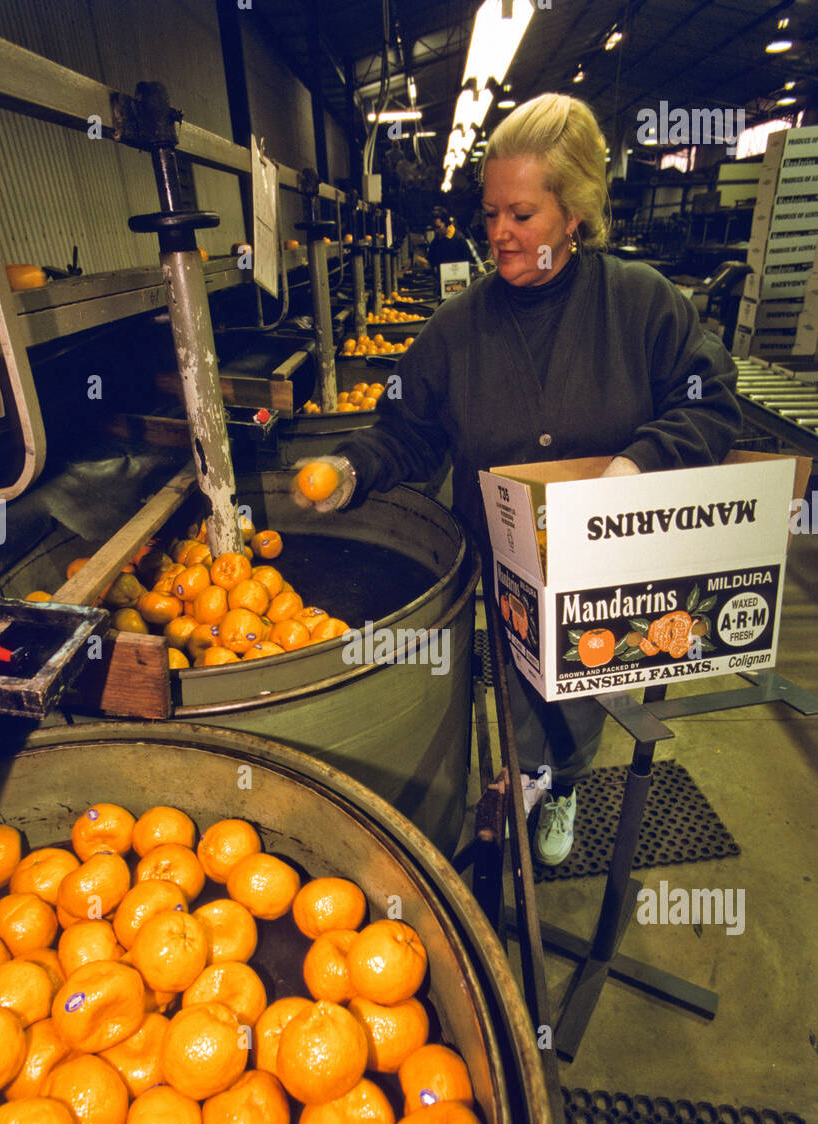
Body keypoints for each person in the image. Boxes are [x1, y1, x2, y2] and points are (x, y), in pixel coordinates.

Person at [292, 94, 742, 865]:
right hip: (498, 565)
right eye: (489, 213)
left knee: (580, 685)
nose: (498, 233)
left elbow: (709, 401)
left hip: (602, 565)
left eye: (521, 215)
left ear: (574, 213)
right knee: (508, 691)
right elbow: (406, 428)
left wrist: (635, 465)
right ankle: (518, 777)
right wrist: (350, 466)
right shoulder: (455, 328)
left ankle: (562, 783)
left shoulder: (638, 305)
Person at [423, 207, 472, 273]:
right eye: (434, 227)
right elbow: (431, 260)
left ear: (446, 223)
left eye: (438, 227)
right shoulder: (437, 240)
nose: (436, 231)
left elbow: (468, 263)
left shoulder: (459, 239)